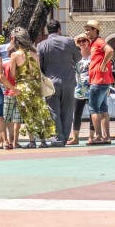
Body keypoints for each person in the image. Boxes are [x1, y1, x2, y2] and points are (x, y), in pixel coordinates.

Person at [38, 19, 81, 147]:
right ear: (59, 29)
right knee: (68, 111)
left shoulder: (42, 45)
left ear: (47, 30)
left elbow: (38, 65)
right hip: (68, 81)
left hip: (51, 83)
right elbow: (78, 58)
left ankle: (58, 137)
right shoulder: (69, 41)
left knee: (53, 110)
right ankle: (64, 137)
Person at [10, 27, 56, 147]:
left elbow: (12, 74)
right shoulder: (35, 54)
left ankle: (32, 141)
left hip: (23, 87)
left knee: (28, 114)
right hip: (36, 86)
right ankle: (43, 141)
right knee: (39, 112)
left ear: (15, 40)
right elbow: (38, 71)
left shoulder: (15, 55)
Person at [85, 20, 115, 144]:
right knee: (103, 110)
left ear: (95, 30)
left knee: (94, 109)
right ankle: (107, 136)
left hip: (98, 81)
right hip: (103, 81)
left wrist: (103, 65)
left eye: (88, 29)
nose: (86, 32)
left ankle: (97, 136)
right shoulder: (93, 43)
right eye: (86, 29)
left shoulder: (99, 42)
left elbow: (110, 50)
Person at [69, 33, 96, 145]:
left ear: (88, 41)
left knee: (92, 113)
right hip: (79, 88)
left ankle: (91, 137)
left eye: (84, 41)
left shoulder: (93, 55)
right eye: (79, 41)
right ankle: (75, 138)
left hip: (92, 88)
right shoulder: (76, 57)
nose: (82, 43)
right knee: (77, 113)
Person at [0, 44, 22, 150]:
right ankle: (15, 142)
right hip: (19, 92)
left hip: (8, 92)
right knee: (17, 119)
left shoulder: (4, 63)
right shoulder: (20, 63)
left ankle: (6, 141)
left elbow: (2, 78)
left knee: (6, 118)